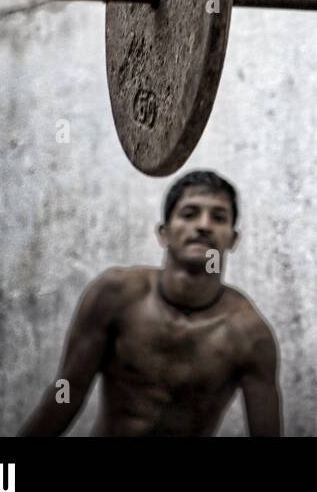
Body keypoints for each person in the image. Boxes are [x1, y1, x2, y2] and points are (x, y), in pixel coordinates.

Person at [20, 170, 281, 436]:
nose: (204, 226)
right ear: (164, 233)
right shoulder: (115, 295)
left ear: (233, 239)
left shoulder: (249, 336)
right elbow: (68, 390)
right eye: (189, 214)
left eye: (218, 217)